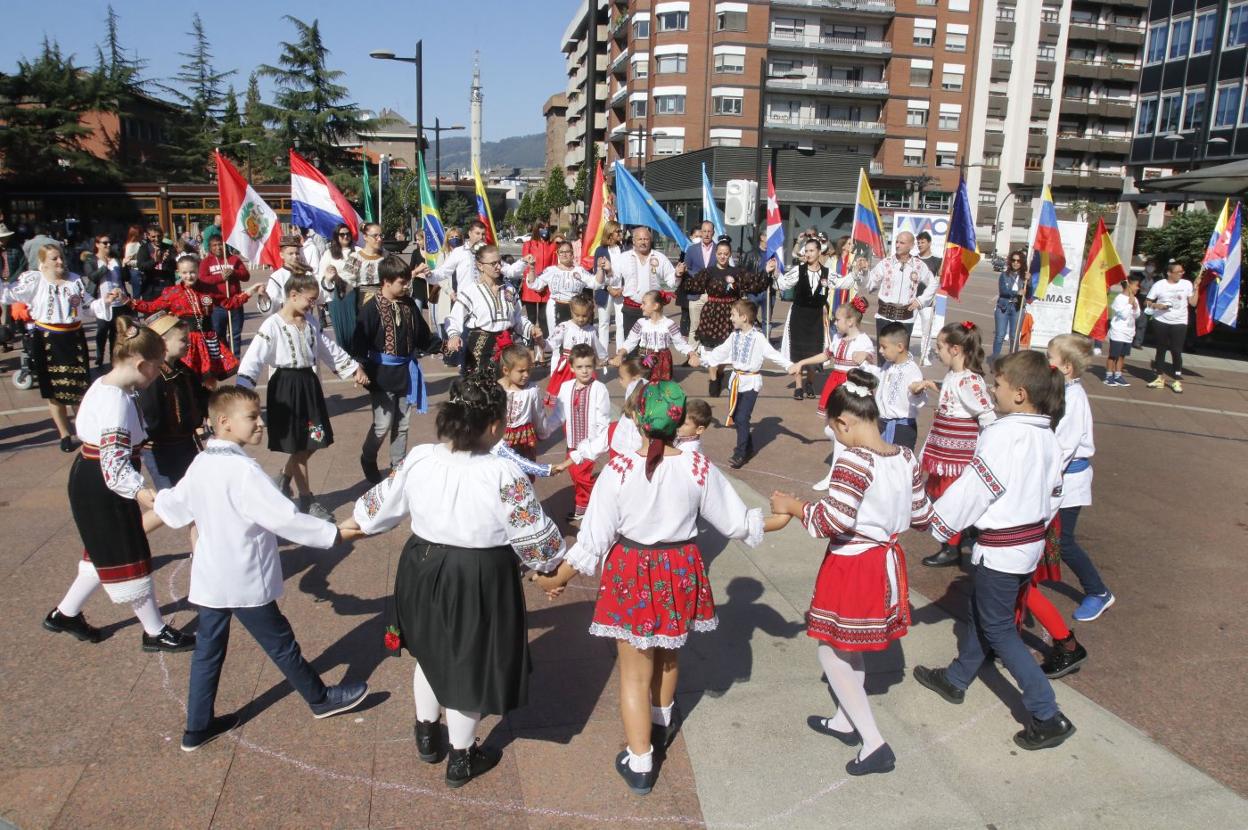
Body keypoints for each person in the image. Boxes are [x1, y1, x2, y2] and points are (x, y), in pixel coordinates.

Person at [534, 380, 782, 796]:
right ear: (678, 421)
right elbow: (739, 523)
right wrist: (785, 516)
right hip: (681, 566)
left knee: (634, 671)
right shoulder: (699, 467)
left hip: (632, 567)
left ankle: (641, 759)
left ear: (638, 420)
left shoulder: (618, 470)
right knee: (668, 654)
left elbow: (593, 541)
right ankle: (661, 720)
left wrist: (557, 577)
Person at [340, 373, 566, 788]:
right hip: (477, 574)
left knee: (430, 651)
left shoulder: (420, 457)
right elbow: (535, 540)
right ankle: (461, 758)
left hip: (421, 566)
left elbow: (377, 508)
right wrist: (553, 565)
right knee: (468, 665)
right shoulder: (504, 472)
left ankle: (427, 735)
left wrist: (347, 525)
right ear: (496, 425)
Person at [146, 386, 367, 752]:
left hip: (211, 577)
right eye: (252, 417)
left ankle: (196, 727)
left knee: (208, 649)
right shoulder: (243, 471)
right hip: (242, 576)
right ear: (223, 422)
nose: (260, 423)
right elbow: (285, 519)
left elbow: (175, 507)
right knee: (281, 644)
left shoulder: (201, 463)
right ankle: (319, 698)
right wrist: (335, 535)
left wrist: (154, 500)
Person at [769, 368, 934, 776]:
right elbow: (922, 515)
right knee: (849, 644)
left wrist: (793, 507)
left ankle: (874, 742)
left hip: (855, 564)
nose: (835, 437)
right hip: (885, 561)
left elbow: (832, 521)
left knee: (831, 648)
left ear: (844, 422)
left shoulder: (854, 462)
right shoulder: (905, 457)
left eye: (833, 429)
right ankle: (845, 719)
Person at [913, 350, 1076, 752]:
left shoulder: (1003, 434)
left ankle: (1046, 713)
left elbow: (976, 487)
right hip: (1026, 546)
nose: (992, 389)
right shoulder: (1048, 436)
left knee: (1001, 630)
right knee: (982, 613)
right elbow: (1056, 495)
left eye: (998, 385)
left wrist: (935, 520)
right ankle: (956, 677)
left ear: (1020, 394)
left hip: (1002, 550)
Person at [42, 317, 194, 652]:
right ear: (141, 364)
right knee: (127, 553)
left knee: (103, 553)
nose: (157, 373)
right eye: (155, 367)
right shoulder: (116, 401)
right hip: (104, 485)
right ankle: (154, 632)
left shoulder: (108, 385)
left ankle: (64, 614)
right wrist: (144, 494)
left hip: (93, 478)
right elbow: (113, 464)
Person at [236, 274, 369, 520]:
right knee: (299, 443)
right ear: (293, 295)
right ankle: (308, 500)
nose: (312, 305)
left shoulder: (310, 322)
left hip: (308, 385)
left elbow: (326, 348)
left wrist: (353, 368)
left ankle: (284, 478)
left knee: (315, 439)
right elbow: (254, 356)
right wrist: (243, 387)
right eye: (309, 300)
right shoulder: (273, 325)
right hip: (286, 389)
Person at [1, 245, 122, 451]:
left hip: (73, 337)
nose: (60, 262)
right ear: (44, 262)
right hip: (47, 338)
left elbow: (88, 306)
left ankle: (84, 430)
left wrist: (106, 301)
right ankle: (64, 433)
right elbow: (9, 295)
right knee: (54, 392)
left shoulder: (74, 279)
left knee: (79, 389)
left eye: (61, 258)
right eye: (54, 259)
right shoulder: (35, 280)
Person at [1046, 333, 1115, 625]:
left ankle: (1098, 591)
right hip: (1058, 477)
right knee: (1044, 533)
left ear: (1066, 368)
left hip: (1069, 480)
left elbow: (1063, 447)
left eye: (1050, 358)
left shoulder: (1074, 399)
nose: (1046, 362)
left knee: (1064, 541)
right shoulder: (1062, 393)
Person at [351, 256, 436, 484]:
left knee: (403, 423)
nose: (406, 286)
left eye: (407, 281)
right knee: (382, 424)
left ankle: (398, 467)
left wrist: (443, 346)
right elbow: (359, 341)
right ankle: (368, 458)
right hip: (380, 374)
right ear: (386, 282)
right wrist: (358, 367)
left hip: (405, 373)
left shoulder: (408, 305)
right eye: (402, 282)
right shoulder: (371, 308)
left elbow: (422, 336)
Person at [918, 321, 995, 568]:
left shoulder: (969, 381)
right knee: (940, 495)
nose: (937, 352)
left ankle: (952, 547)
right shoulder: (954, 376)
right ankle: (961, 536)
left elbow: (987, 415)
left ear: (955, 349)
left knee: (950, 497)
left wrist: (990, 447)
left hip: (957, 456)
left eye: (940, 347)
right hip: (944, 451)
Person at [129, 254, 261, 383]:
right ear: (178, 272)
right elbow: (151, 307)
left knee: (209, 381)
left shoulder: (208, 289)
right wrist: (127, 301)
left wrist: (250, 291)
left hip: (208, 338)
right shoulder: (172, 292)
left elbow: (228, 303)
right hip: (187, 341)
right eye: (185, 272)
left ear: (198, 271)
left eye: (192, 272)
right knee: (188, 378)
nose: (189, 276)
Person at [696, 299, 791, 468]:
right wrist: (703, 360)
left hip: (751, 382)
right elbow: (719, 353)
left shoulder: (758, 337)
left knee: (742, 417)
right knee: (739, 418)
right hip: (736, 381)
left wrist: (790, 366)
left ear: (744, 317)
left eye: (733, 315)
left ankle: (740, 453)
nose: (730, 318)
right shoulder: (734, 336)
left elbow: (772, 354)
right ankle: (748, 446)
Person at [680, 240, 770, 398]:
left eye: (725, 254)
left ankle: (720, 373)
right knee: (712, 352)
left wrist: (766, 271)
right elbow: (693, 285)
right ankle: (713, 379)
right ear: (716, 254)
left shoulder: (737, 272)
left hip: (731, 316)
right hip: (712, 315)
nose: (722, 256)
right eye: (720, 253)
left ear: (730, 255)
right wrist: (680, 273)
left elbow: (755, 284)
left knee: (726, 351)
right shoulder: (708, 272)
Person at [444, 244, 543, 374]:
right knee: (482, 389)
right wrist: (454, 335)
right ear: (480, 266)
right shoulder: (471, 291)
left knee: (507, 389)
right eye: (493, 263)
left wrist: (531, 329)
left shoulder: (509, 289)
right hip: (480, 350)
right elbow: (454, 318)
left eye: (499, 262)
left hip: (507, 348)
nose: (498, 266)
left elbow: (517, 318)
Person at [775, 238, 854, 399]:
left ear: (819, 252)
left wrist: (856, 272)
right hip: (798, 316)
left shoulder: (827, 273)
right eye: (806, 250)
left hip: (816, 317)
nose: (808, 253)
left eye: (811, 250)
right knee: (797, 352)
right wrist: (775, 272)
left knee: (814, 351)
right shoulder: (799, 270)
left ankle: (809, 383)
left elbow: (843, 283)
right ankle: (798, 386)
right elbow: (782, 285)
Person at [137, 314, 206, 489]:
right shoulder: (153, 377)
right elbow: (150, 413)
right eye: (183, 340)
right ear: (163, 343)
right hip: (161, 449)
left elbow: (200, 397)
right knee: (171, 498)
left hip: (185, 443)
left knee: (191, 492)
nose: (188, 344)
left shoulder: (183, 370)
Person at [549, 343, 611, 523]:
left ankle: (595, 505)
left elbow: (603, 419)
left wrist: (596, 444)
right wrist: (544, 430)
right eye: (580, 367)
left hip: (588, 445)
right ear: (571, 367)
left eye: (588, 367)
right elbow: (559, 415)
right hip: (571, 443)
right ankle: (586, 506)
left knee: (582, 477)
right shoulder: (566, 387)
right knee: (576, 478)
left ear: (594, 366)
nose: (584, 371)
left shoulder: (599, 388)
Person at [609, 227, 682, 338]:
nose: (643, 242)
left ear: (650, 240)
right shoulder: (623, 258)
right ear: (633, 241)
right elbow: (613, 279)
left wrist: (677, 274)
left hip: (654, 310)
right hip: (631, 309)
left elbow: (672, 280)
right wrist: (607, 270)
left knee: (653, 345)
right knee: (631, 346)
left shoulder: (660, 258)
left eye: (646, 239)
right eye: (640, 239)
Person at [864, 231, 937, 342]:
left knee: (901, 357)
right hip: (884, 317)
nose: (897, 245)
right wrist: (863, 273)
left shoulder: (918, 265)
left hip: (906, 319)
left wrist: (921, 300)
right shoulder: (886, 263)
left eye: (902, 243)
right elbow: (870, 282)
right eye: (897, 242)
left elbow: (933, 283)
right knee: (883, 355)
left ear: (911, 246)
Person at [614, 290, 699, 382]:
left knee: (661, 387)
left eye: (644, 303)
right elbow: (630, 341)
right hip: (645, 358)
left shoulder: (669, 324)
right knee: (645, 385)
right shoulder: (641, 323)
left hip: (663, 360)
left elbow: (681, 343)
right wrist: (620, 355)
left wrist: (692, 354)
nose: (641, 306)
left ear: (655, 306)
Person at [869, 323, 927, 450]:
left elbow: (918, 397)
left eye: (884, 347)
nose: (880, 351)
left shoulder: (912, 371)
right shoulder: (889, 365)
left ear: (900, 347)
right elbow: (880, 375)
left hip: (902, 430)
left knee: (898, 465)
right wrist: (864, 365)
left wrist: (917, 392)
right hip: (883, 424)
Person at [1145, 260, 1198, 394]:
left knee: (1176, 350)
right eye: (1178, 272)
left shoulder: (1186, 284)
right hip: (1161, 320)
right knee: (1161, 349)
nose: (1181, 273)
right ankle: (1159, 377)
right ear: (1169, 273)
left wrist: (1196, 288)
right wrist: (1158, 306)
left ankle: (1176, 380)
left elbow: (1193, 303)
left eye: (1182, 271)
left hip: (1179, 322)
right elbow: (1147, 302)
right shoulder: (1159, 285)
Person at [543, 294, 606, 406]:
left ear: (590, 314)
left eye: (584, 316)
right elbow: (552, 343)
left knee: (585, 397)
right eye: (577, 315)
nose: (581, 319)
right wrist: (541, 343)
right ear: (571, 311)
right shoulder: (564, 326)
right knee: (565, 395)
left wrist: (604, 359)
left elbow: (598, 346)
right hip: (568, 367)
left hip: (585, 367)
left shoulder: (591, 330)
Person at [526, 239, 595, 333]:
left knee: (574, 336)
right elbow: (535, 284)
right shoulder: (551, 270)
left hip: (575, 308)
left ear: (572, 254)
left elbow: (595, 283)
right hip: (555, 307)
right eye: (561, 252)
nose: (564, 254)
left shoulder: (580, 270)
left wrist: (600, 269)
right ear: (558, 254)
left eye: (567, 251)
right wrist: (532, 268)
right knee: (556, 337)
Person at [199, 235, 251, 355]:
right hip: (217, 305)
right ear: (210, 248)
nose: (218, 248)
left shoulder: (233, 259)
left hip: (235, 302)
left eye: (220, 245)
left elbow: (246, 276)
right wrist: (220, 278)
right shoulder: (206, 262)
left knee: (236, 334)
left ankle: (236, 359)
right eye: (214, 245)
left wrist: (234, 272)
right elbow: (202, 279)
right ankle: (225, 360)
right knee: (218, 334)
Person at [84, 234, 128, 368]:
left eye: (110, 242)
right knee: (102, 330)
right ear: (97, 244)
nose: (108, 245)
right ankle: (99, 357)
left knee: (116, 332)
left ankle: (113, 358)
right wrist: (104, 266)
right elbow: (92, 277)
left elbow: (125, 278)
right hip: (102, 302)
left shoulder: (116, 260)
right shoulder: (91, 261)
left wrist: (125, 266)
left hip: (118, 301)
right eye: (105, 243)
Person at [318, 223, 359, 346]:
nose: (346, 236)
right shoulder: (329, 254)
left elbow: (356, 274)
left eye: (348, 234)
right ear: (336, 236)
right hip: (336, 297)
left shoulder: (358, 252)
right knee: (342, 333)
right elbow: (322, 276)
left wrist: (339, 276)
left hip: (355, 295)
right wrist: (330, 279)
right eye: (342, 234)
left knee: (356, 330)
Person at [591, 221, 628, 351]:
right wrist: (609, 288)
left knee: (621, 322)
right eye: (617, 231)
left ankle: (620, 352)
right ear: (610, 233)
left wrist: (622, 288)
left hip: (621, 291)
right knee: (604, 323)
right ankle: (603, 353)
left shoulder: (624, 249)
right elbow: (597, 272)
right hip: (606, 291)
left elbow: (628, 271)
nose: (620, 233)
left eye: (620, 231)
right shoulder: (600, 250)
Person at [680, 221, 718, 345]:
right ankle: (692, 356)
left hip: (713, 294)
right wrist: (697, 278)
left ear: (713, 232)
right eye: (704, 231)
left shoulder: (719, 250)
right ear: (701, 232)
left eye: (709, 231)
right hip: (696, 294)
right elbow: (687, 269)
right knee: (694, 327)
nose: (706, 234)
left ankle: (708, 355)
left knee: (711, 326)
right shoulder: (691, 250)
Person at [1104, 273, 1142, 387]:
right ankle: (1109, 375)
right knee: (1113, 355)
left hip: (1128, 332)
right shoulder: (1119, 298)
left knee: (1122, 355)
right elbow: (1123, 315)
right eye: (1136, 286)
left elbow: (1137, 315)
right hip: (1118, 332)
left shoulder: (1134, 299)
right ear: (1129, 285)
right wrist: (1130, 304)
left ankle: (1118, 375)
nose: (1138, 288)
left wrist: (1135, 306)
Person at [992, 251, 1031, 359]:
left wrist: (1030, 281)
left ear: (1022, 262)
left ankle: (1012, 362)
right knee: (1000, 335)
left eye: (1018, 261)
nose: (1015, 263)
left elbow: (1029, 294)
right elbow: (1003, 291)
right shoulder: (1004, 275)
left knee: (1014, 337)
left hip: (1017, 308)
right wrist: (1016, 293)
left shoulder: (1025, 277)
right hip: (1003, 307)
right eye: (1013, 260)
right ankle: (995, 361)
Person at [520, 221, 557, 328]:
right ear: (537, 229)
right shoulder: (528, 245)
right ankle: (530, 343)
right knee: (531, 318)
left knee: (543, 318)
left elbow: (553, 267)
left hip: (546, 287)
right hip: (530, 285)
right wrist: (534, 282)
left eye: (547, 228)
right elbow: (525, 266)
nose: (545, 230)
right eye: (542, 228)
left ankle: (544, 343)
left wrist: (544, 283)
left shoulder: (553, 246)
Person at [136, 224, 174, 300]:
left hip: (167, 287)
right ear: (148, 236)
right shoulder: (144, 249)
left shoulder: (168, 247)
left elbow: (174, 266)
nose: (157, 239)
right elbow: (141, 266)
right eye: (153, 237)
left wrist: (166, 260)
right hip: (150, 288)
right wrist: (154, 261)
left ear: (162, 235)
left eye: (159, 236)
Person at [120, 225, 143, 300]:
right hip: (135, 271)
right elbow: (128, 261)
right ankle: (135, 309)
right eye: (140, 234)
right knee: (137, 294)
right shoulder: (130, 245)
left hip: (141, 269)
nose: (142, 235)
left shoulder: (140, 242)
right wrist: (139, 262)